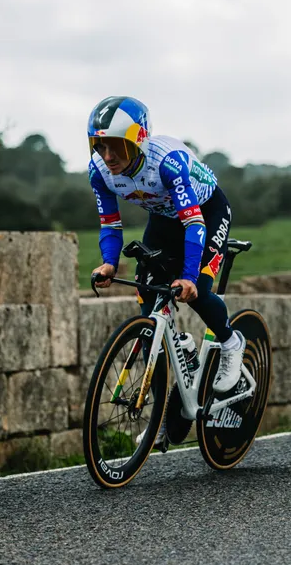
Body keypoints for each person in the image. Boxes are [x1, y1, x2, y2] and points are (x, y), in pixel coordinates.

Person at [87, 96, 244, 394]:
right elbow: (110, 224)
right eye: (100, 145)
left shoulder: (167, 163)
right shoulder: (100, 173)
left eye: (116, 146)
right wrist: (109, 262)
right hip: (162, 220)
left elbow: (194, 223)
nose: (107, 156)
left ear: (139, 140)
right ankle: (158, 413)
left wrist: (187, 276)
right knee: (148, 304)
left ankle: (231, 342)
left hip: (206, 213)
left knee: (197, 288)